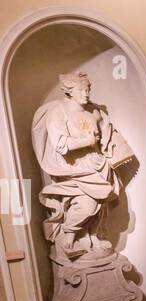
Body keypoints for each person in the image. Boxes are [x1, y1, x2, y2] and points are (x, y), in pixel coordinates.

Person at [32, 71, 131, 259]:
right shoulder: (58, 112)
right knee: (86, 204)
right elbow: (60, 145)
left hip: (99, 164)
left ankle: (93, 236)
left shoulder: (93, 111)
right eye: (81, 90)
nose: (86, 93)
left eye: (88, 89)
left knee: (100, 205)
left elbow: (107, 134)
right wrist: (86, 141)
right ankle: (69, 235)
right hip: (75, 168)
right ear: (69, 90)